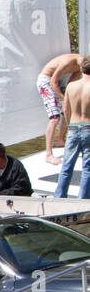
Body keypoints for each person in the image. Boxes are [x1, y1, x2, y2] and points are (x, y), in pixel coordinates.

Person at [39, 52, 83, 163]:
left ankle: (61, 140)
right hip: (47, 81)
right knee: (55, 118)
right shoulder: (67, 62)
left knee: (69, 110)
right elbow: (53, 82)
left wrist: (69, 99)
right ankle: (48, 154)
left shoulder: (79, 67)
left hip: (58, 81)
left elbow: (70, 84)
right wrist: (63, 99)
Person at [56, 65, 90, 198]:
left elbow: (66, 109)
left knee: (67, 166)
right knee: (87, 168)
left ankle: (59, 197)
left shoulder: (71, 86)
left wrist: (71, 125)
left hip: (74, 127)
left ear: (82, 69)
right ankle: (82, 200)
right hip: (89, 126)